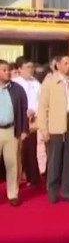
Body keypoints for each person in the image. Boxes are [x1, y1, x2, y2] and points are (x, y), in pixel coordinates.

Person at [38, 55, 69, 204]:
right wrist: (43, 128)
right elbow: (43, 106)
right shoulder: (49, 82)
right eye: (65, 63)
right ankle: (52, 190)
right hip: (55, 125)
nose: (68, 66)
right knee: (54, 160)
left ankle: (67, 190)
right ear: (57, 65)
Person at [0, 60, 29, 206]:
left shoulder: (17, 89)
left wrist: (24, 129)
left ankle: (13, 194)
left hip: (11, 131)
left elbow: (24, 111)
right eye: (4, 70)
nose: (8, 73)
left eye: (8, 70)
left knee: (13, 165)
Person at [12, 58, 41, 186]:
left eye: (32, 67)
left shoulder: (36, 83)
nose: (30, 70)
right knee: (17, 151)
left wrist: (33, 110)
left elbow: (41, 100)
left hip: (33, 120)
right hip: (17, 120)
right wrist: (24, 111)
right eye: (27, 67)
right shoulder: (14, 83)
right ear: (19, 69)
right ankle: (16, 178)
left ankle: (33, 178)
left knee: (31, 149)